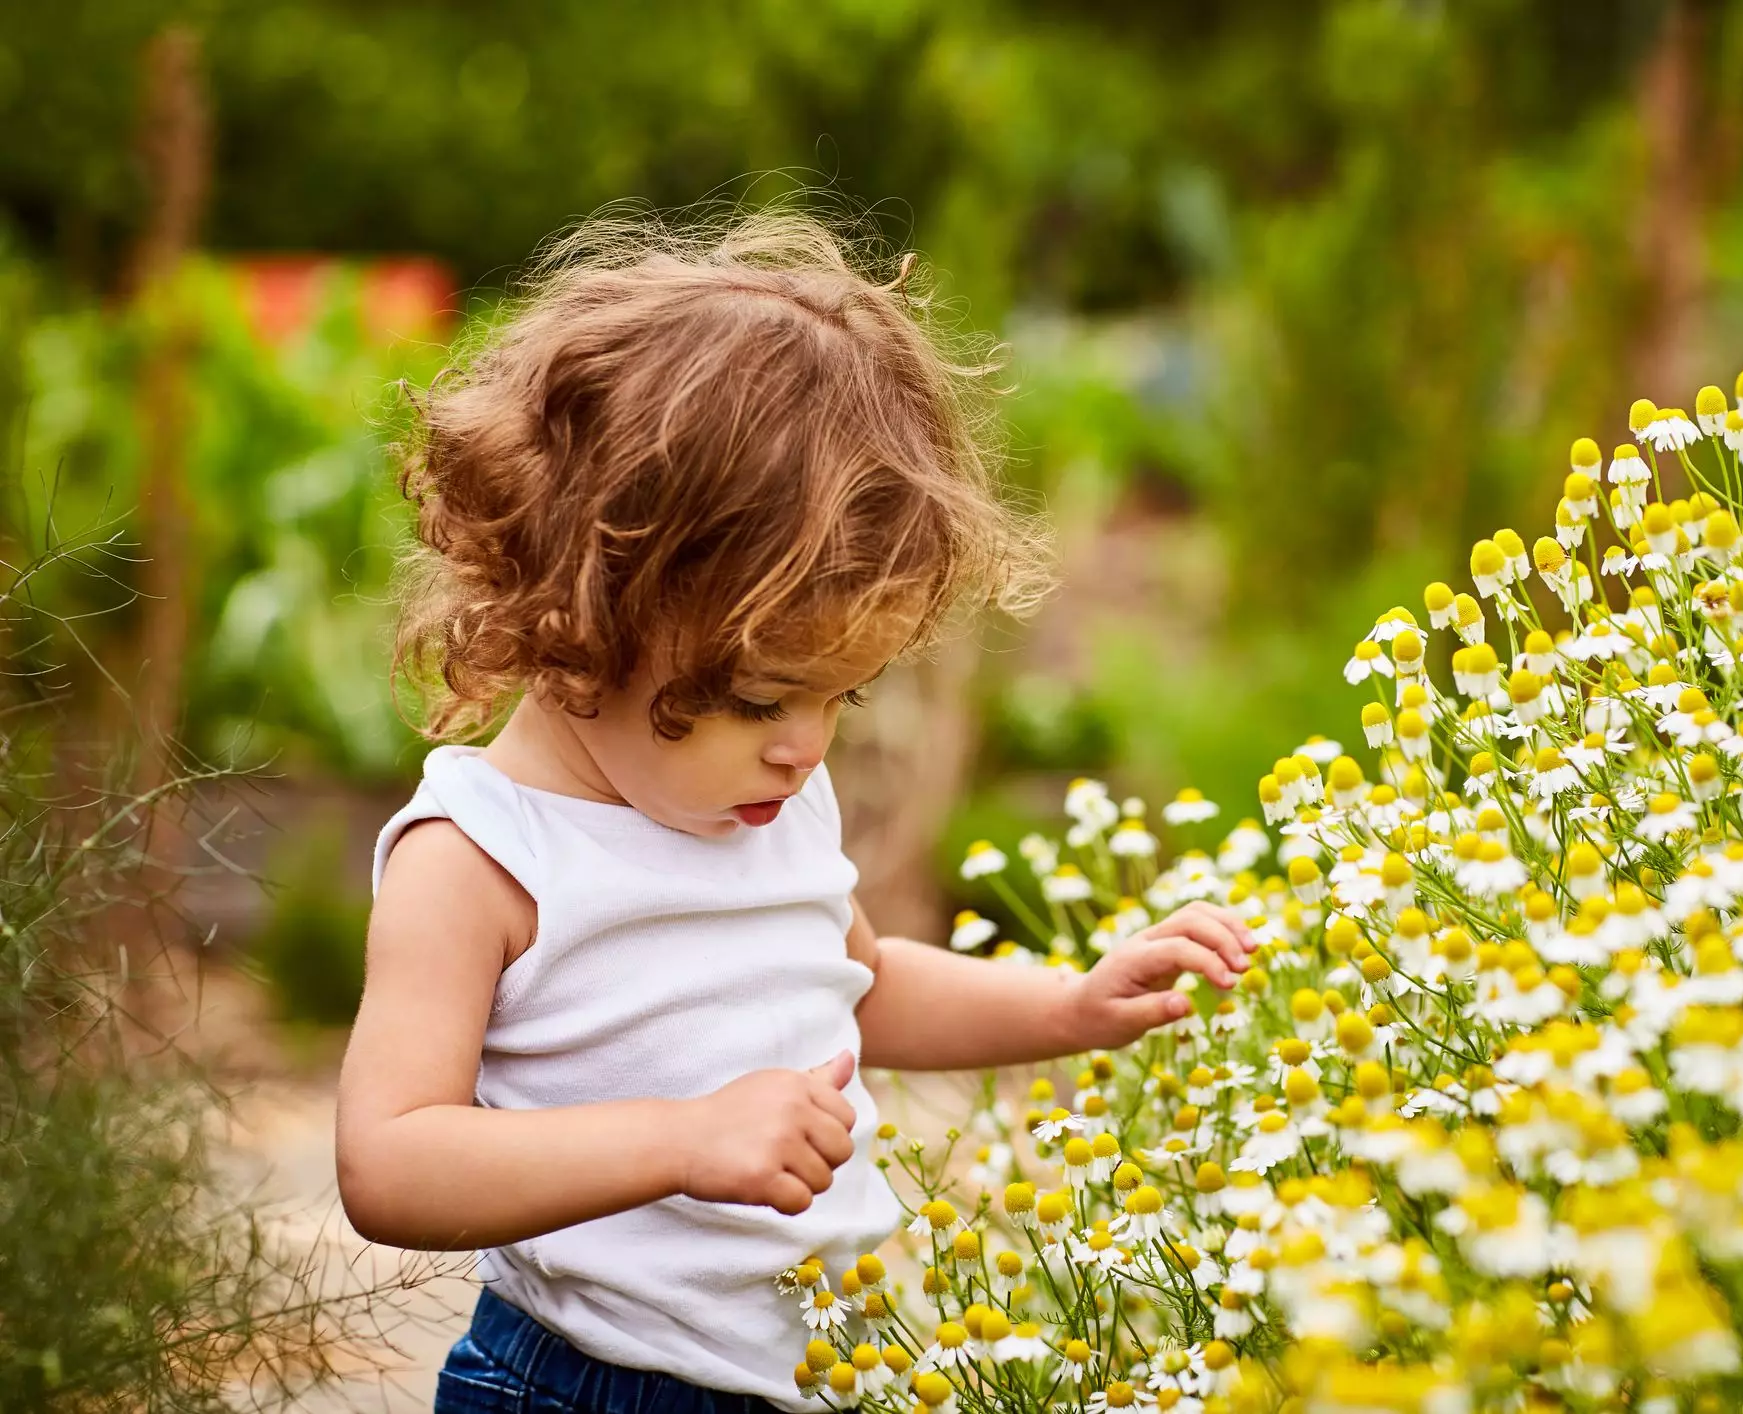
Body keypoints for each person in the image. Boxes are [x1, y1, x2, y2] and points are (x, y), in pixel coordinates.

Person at [334, 209, 1257, 1414]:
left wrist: (1071, 1002)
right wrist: (680, 1139)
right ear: (580, 611)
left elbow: (862, 987)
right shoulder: (481, 859)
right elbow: (389, 1159)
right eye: (764, 694)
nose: (808, 745)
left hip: (821, 1376)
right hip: (587, 1389)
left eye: (845, 693)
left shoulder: (770, 802)